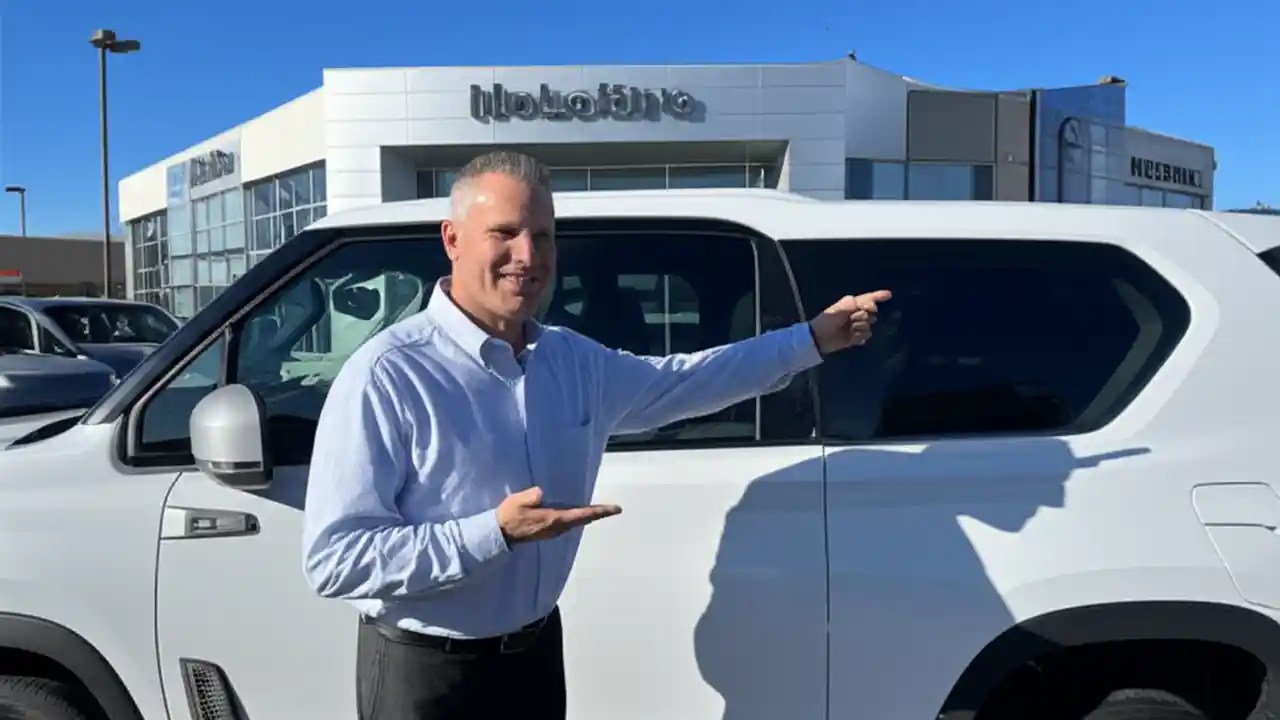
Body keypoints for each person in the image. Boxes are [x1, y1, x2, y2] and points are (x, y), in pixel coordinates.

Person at [301, 150, 892, 720]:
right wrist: (493, 533)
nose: (528, 256)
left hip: (533, 660)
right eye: (504, 233)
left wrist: (811, 340)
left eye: (544, 235)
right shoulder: (388, 375)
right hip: (427, 675)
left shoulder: (572, 362)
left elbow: (687, 382)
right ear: (452, 239)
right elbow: (335, 560)